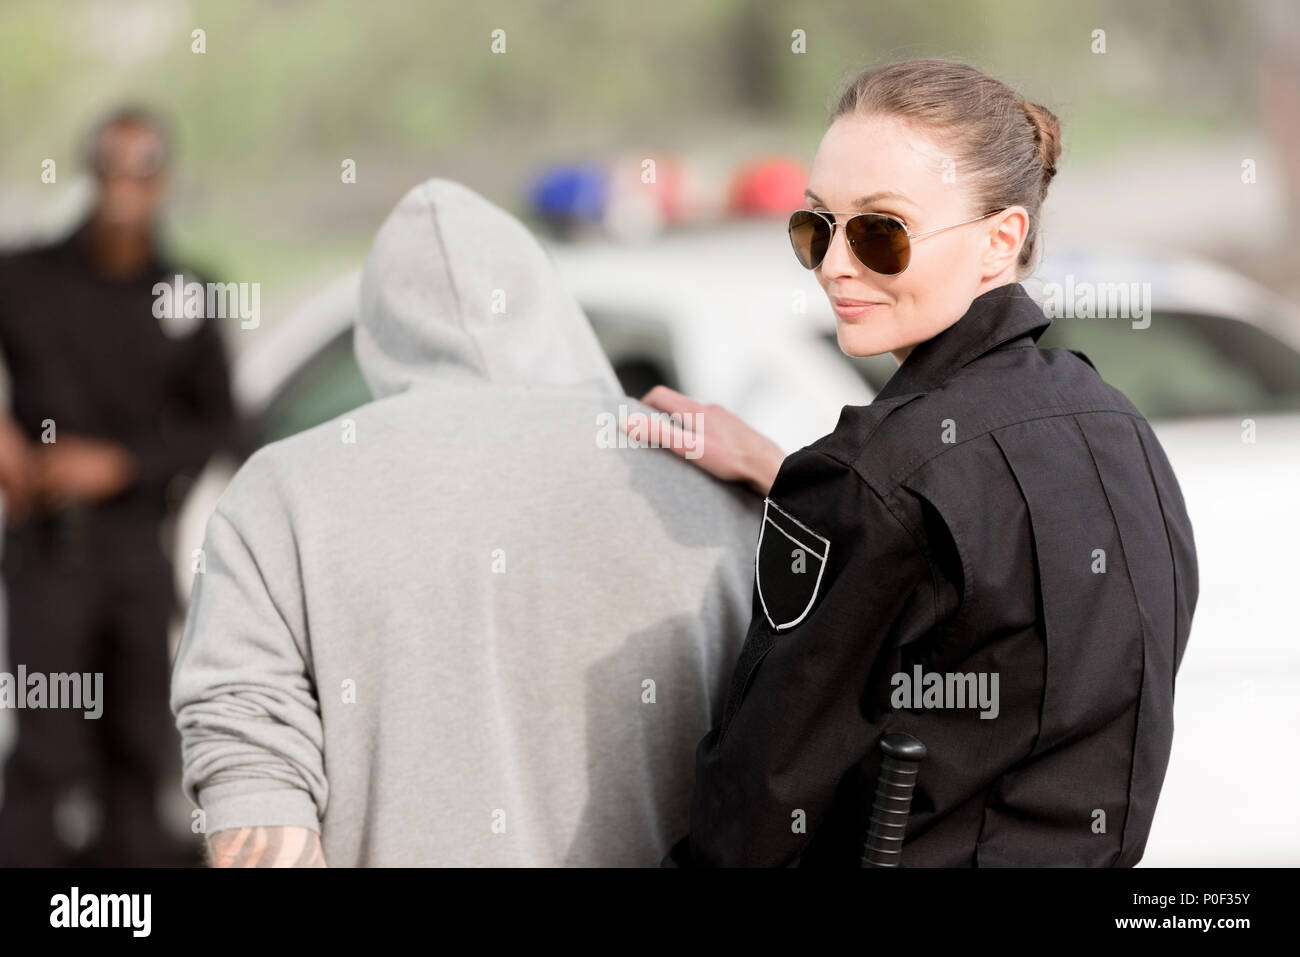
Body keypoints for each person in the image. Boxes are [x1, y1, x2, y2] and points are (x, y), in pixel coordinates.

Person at [640, 58, 1199, 867]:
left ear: (1000, 238)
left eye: (879, 231)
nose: (835, 264)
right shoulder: (1119, 432)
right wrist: (788, 475)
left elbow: (754, 816)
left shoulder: (875, 479)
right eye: (816, 226)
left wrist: (831, 494)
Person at [170, 177, 761, 867]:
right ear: (548, 303)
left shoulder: (276, 499)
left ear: (377, 333)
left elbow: (258, 802)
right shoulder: (716, 482)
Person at [0, 106, 239, 865]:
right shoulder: (26, 276)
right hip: (48, 549)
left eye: (142, 168)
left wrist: (120, 464)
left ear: (162, 179)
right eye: (110, 166)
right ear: (90, 171)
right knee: (44, 754)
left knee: (138, 754)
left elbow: (221, 425)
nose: (124, 186)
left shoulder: (189, 293)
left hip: (137, 548)